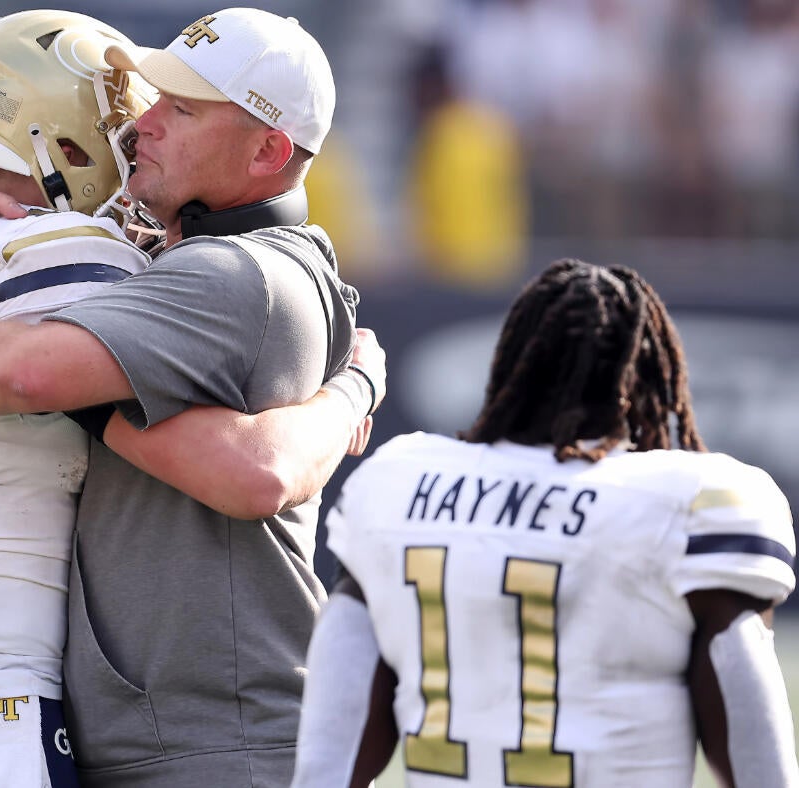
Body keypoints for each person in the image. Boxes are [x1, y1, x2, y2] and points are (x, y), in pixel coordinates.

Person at [0, 10, 380, 788]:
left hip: (213, 741)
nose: (141, 124)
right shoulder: (137, 256)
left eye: (181, 110)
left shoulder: (222, 273)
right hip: (102, 725)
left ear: (268, 150)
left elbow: (41, 376)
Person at [294, 259, 797, 787]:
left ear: (514, 364)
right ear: (642, 377)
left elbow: (332, 755)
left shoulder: (397, 483)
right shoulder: (687, 504)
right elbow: (755, 752)